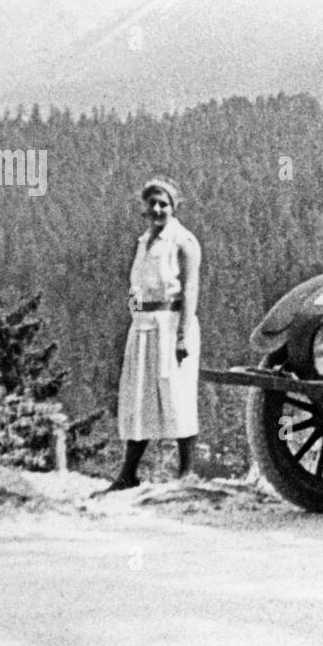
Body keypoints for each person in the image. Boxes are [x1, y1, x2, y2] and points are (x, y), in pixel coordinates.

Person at [94, 177, 202, 495]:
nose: (157, 209)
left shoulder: (184, 242)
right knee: (138, 396)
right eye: (152, 203)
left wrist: (182, 335)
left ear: (174, 207)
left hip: (171, 324)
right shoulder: (144, 242)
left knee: (176, 393)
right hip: (142, 326)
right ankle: (128, 474)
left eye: (163, 204)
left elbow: (191, 289)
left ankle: (187, 472)